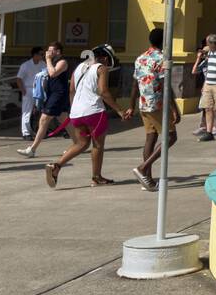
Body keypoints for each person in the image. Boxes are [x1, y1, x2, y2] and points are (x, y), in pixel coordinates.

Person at [44, 44, 130, 188]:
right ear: (103, 57)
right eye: (108, 60)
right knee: (97, 145)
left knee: (81, 143)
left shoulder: (79, 67)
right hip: (94, 112)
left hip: (77, 112)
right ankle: (96, 177)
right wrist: (120, 110)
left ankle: (56, 166)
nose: (108, 63)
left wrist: (74, 110)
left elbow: (71, 90)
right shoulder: (101, 68)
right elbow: (103, 92)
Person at [124, 27, 178, 191]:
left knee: (151, 138)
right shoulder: (162, 59)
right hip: (158, 103)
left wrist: (131, 105)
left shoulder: (141, 58)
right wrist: (175, 108)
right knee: (171, 137)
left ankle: (147, 178)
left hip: (143, 103)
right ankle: (142, 168)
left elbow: (135, 83)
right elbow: (166, 85)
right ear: (164, 41)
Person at [17, 43, 70, 158]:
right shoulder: (50, 62)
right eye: (48, 51)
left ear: (58, 52)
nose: (48, 53)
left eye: (51, 51)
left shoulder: (62, 62)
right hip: (52, 94)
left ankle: (32, 149)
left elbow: (53, 73)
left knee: (44, 119)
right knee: (65, 121)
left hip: (59, 94)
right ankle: (79, 143)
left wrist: (48, 60)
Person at [13, 46, 44, 140]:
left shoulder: (43, 64)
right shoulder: (25, 65)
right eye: (41, 54)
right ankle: (25, 132)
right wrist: (23, 90)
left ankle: (39, 130)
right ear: (35, 55)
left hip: (40, 89)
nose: (42, 56)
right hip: (28, 89)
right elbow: (18, 79)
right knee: (27, 111)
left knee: (41, 111)